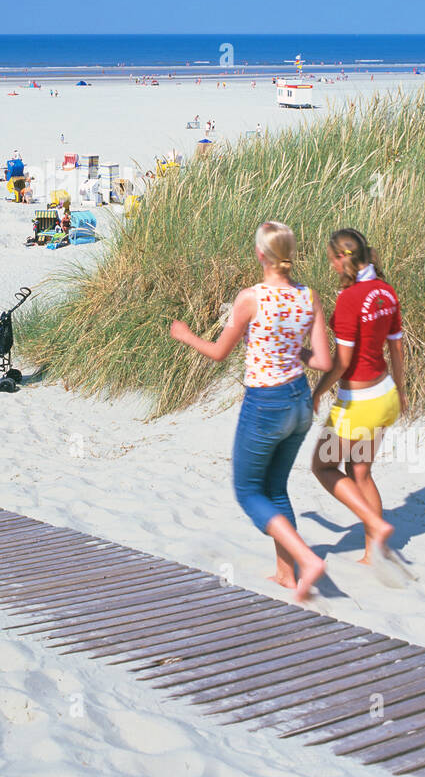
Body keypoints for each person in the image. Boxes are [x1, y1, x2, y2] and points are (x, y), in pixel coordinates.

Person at [169, 221, 332, 601]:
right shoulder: (309, 296)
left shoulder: (251, 298)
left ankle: (306, 560)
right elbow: (323, 360)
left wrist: (186, 335)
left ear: (261, 255)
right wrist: (292, 350)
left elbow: (218, 352)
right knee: (275, 488)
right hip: (299, 400)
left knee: (247, 491)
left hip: (267, 402)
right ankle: (286, 573)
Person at [310, 228, 406, 571]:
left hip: (358, 404)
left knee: (322, 466)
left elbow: (343, 363)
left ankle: (375, 524)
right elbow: (396, 347)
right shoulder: (386, 292)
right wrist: (403, 391)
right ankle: (373, 551)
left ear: (342, 258)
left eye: (332, 260)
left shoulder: (350, 300)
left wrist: (318, 390)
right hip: (386, 397)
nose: (332, 267)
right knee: (360, 472)